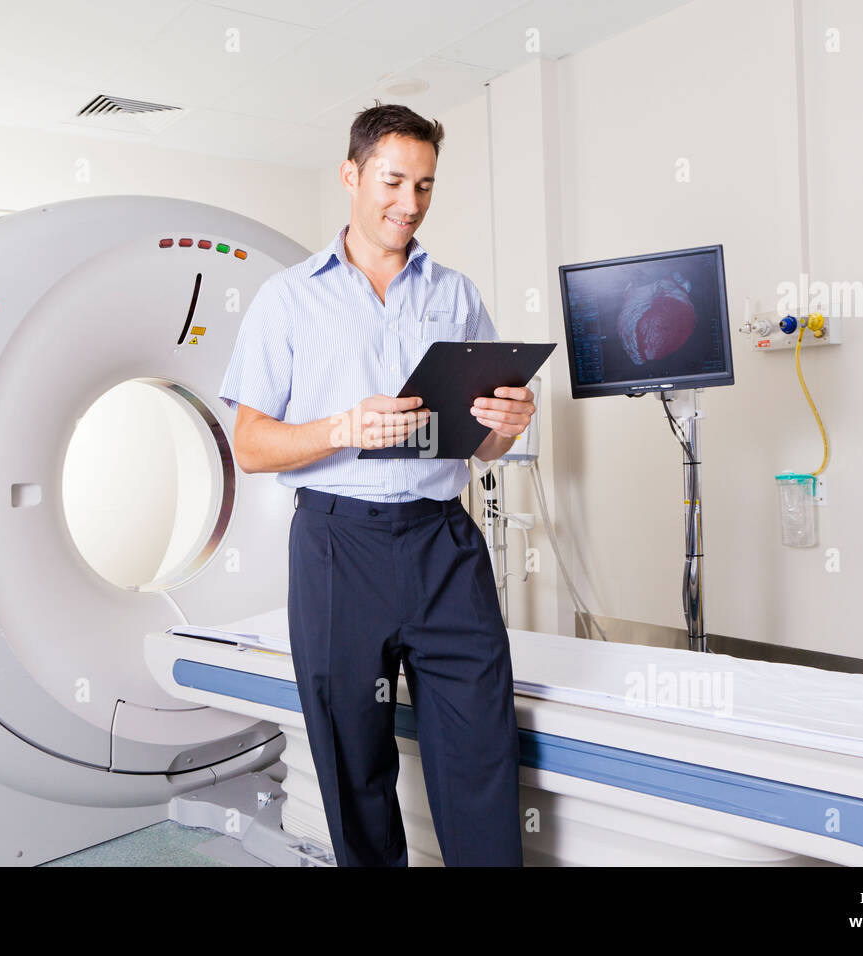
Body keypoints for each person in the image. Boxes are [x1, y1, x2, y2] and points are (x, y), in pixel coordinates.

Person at [218, 102, 536, 866]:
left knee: (481, 750)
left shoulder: (455, 294)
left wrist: (510, 422)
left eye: (425, 185)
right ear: (351, 176)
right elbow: (252, 446)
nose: (410, 202)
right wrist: (342, 429)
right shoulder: (288, 299)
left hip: (444, 543)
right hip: (339, 545)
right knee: (354, 756)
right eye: (394, 181)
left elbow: (484, 446)